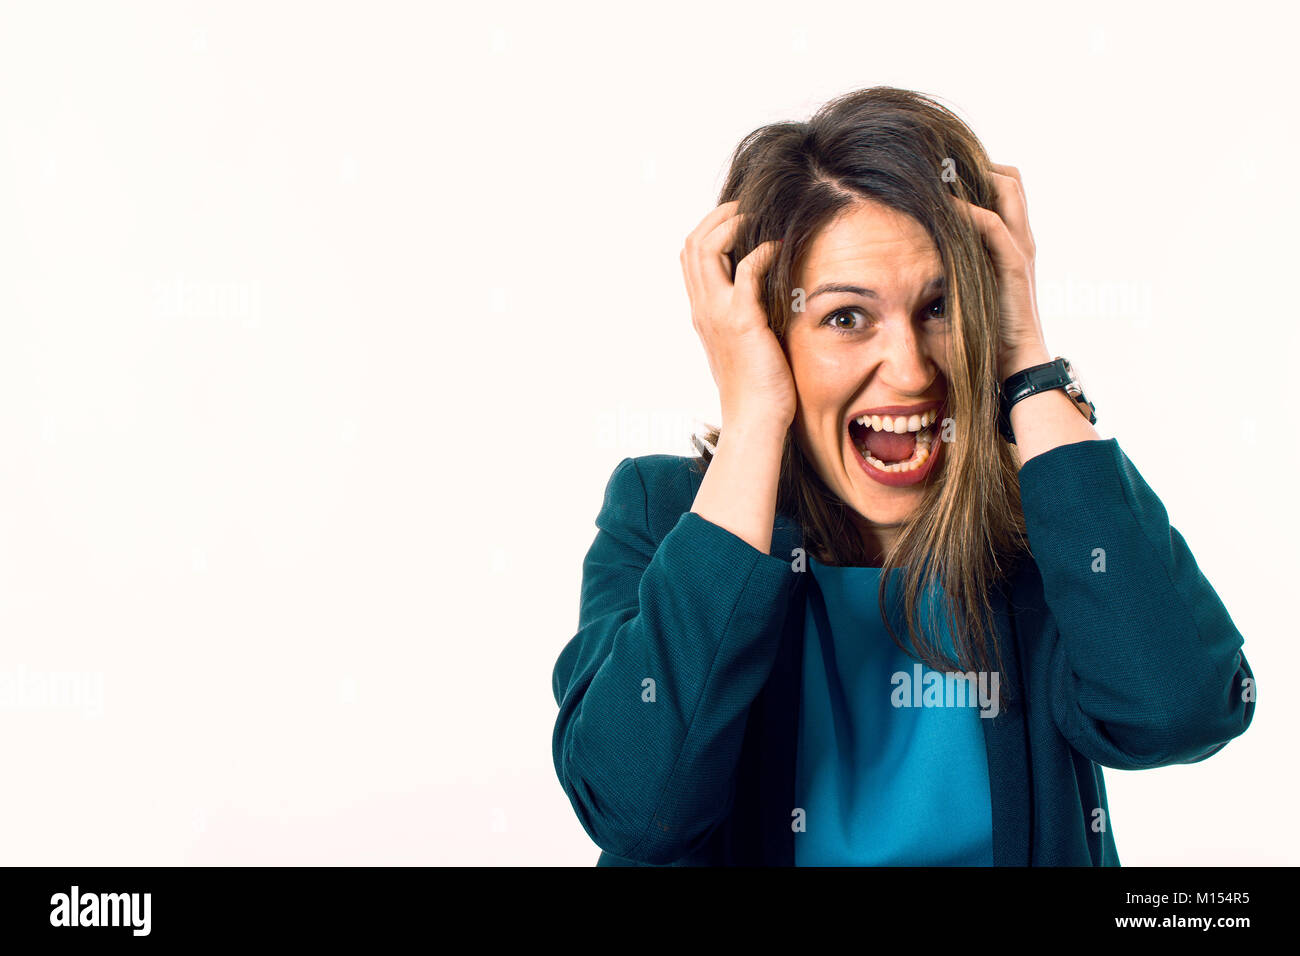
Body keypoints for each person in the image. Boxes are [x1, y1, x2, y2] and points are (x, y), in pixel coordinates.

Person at [550, 87, 1256, 866]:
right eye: (846, 317)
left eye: (942, 306)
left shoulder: (1044, 528)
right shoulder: (666, 515)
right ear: (767, 330)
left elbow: (1181, 713)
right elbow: (635, 810)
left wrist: (1027, 362)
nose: (912, 371)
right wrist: (753, 419)